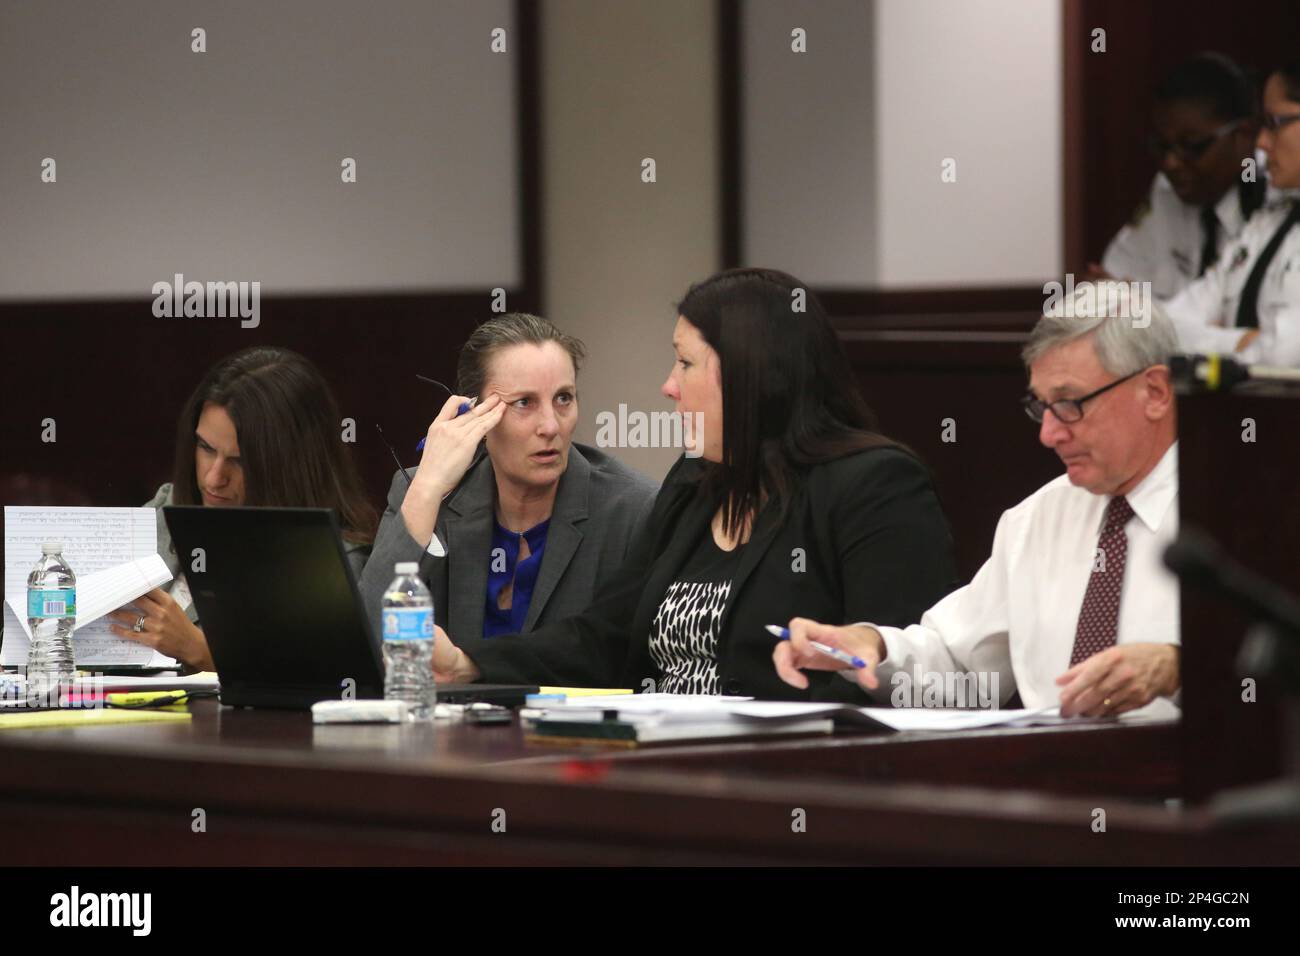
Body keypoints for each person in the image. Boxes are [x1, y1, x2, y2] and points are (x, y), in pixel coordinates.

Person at [429, 268, 958, 701]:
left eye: (685, 362)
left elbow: (898, 682)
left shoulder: (874, 486)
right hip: (665, 771)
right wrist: (468, 661)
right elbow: (607, 636)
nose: (668, 386)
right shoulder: (696, 482)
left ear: (752, 374)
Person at [774, 283, 1182, 718]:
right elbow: (961, 667)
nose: (1048, 434)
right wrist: (869, 645)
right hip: (1054, 777)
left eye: (1068, 404)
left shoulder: (1241, 513)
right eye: (1040, 407)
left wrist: (1177, 666)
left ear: (1155, 392)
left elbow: (1257, 679)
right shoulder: (1036, 520)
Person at [359, 313, 659, 641]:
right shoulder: (426, 495)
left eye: (563, 398)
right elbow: (369, 638)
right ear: (473, 414)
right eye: (524, 403)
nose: (551, 426)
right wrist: (428, 488)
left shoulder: (632, 511)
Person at [108, 346, 377, 670]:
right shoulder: (166, 509)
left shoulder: (336, 559)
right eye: (206, 448)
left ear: (290, 464)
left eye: (238, 460)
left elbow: (328, 679)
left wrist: (203, 652)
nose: (214, 477)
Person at [1090, 52, 1266, 300]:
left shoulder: (1275, 195)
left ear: (1244, 135)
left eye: (1192, 146)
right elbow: (1115, 279)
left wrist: (1143, 311)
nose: (1171, 163)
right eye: (1162, 147)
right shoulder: (1168, 190)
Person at [1163, 58, 1300, 366]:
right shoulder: (1269, 220)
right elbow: (1164, 328)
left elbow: (1284, 355)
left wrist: (1213, 339)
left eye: (1275, 124)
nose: (1262, 143)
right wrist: (1241, 340)